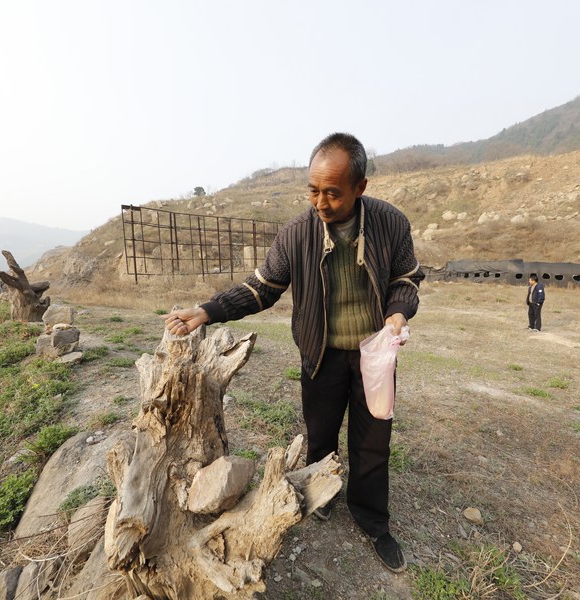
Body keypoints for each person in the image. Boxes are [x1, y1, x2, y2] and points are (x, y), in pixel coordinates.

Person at [164, 132, 424, 573]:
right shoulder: (296, 234)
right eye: (313, 190)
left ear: (360, 187)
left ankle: (372, 520)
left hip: (373, 358)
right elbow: (261, 289)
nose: (320, 202)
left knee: (373, 443)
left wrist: (398, 314)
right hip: (320, 356)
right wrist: (206, 311)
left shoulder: (390, 223)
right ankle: (324, 496)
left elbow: (407, 278)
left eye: (333, 193)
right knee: (320, 437)